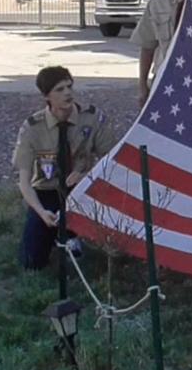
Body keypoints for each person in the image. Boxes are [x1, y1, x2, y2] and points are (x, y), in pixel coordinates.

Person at [11, 66, 115, 270]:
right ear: (46, 96)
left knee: (100, 257)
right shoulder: (33, 127)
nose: (67, 93)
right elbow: (24, 182)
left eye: (69, 86)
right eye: (59, 89)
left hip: (84, 189)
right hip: (47, 192)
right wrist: (41, 212)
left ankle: (78, 240)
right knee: (31, 262)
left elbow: (113, 161)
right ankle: (57, 236)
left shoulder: (93, 118)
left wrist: (87, 175)